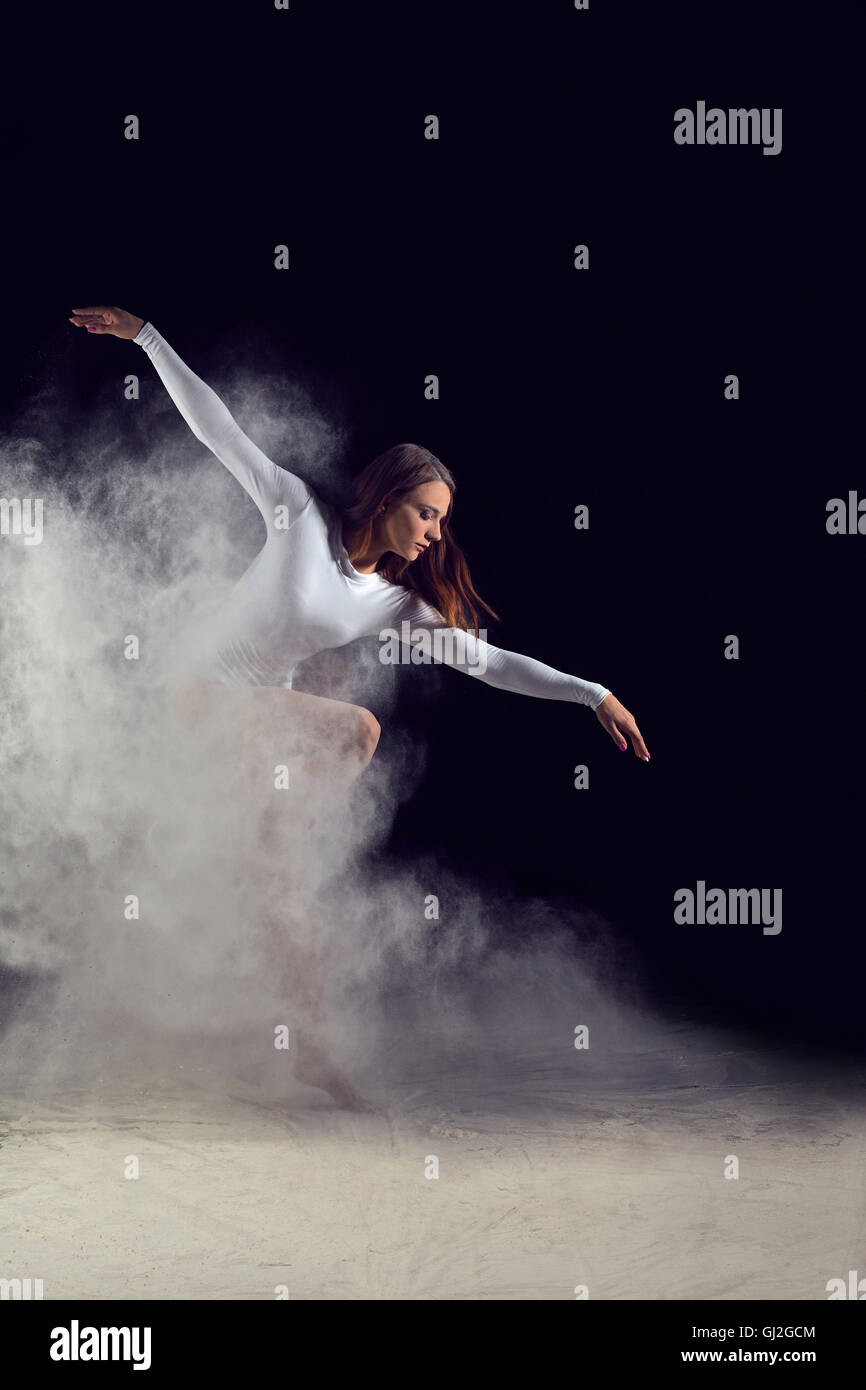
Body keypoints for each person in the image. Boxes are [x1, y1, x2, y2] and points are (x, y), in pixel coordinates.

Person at [69, 304, 650, 1108]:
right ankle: (289, 827)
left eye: (444, 524)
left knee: (285, 901)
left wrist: (594, 693)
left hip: (245, 724)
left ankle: (312, 1049)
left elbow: (488, 664)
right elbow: (220, 430)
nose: (434, 536)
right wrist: (147, 339)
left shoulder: (392, 605)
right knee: (359, 725)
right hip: (196, 695)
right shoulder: (296, 514)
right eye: (426, 513)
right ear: (386, 497)